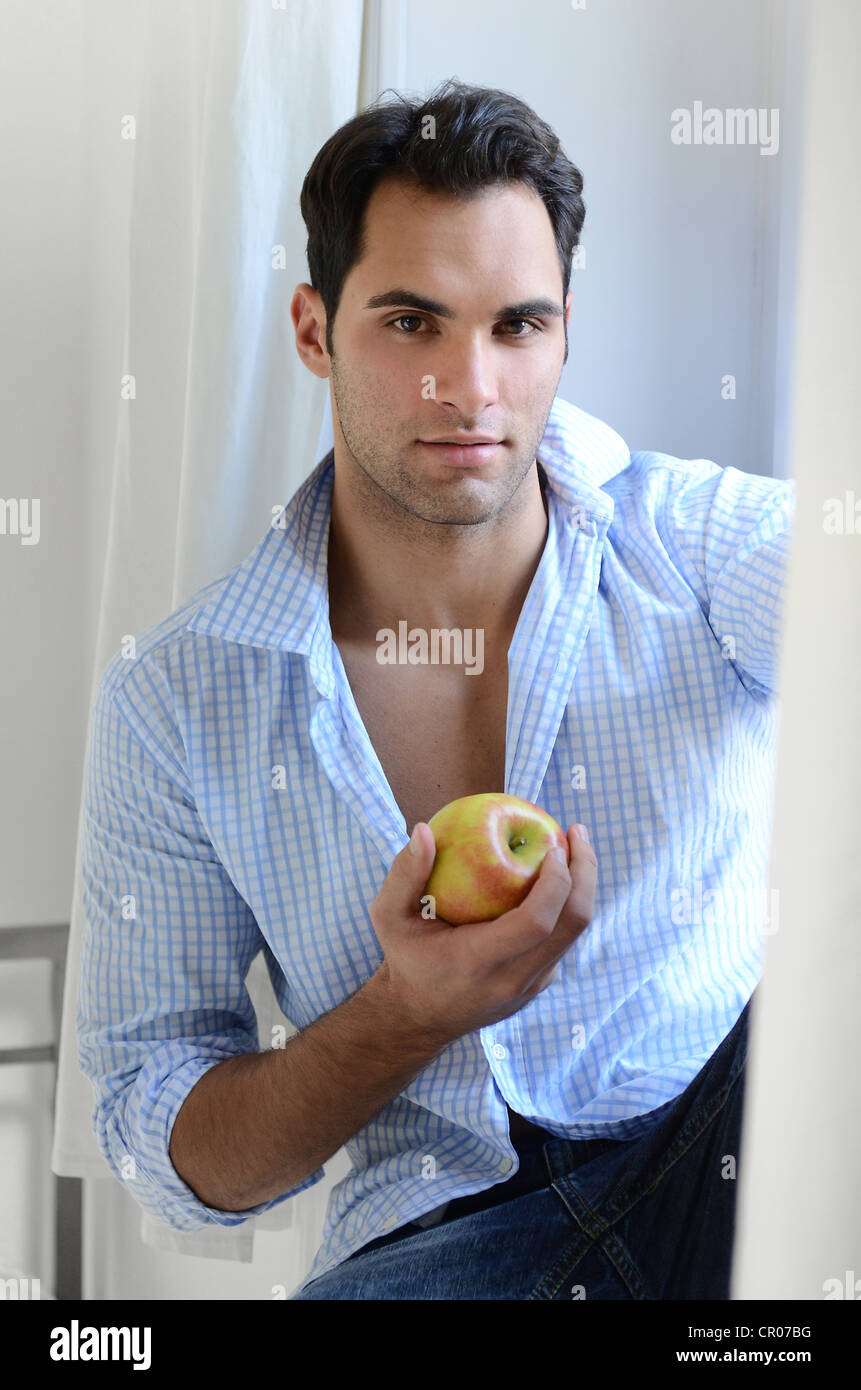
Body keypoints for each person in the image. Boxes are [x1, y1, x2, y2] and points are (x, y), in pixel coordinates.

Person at [77, 79, 794, 1300]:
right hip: (444, 1238)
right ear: (313, 329)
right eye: (412, 323)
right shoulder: (179, 700)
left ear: (567, 330)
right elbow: (174, 1146)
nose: (470, 386)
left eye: (517, 325)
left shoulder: (702, 542)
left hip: (736, 1145)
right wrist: (405, 1015)